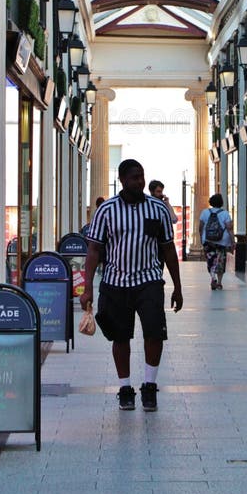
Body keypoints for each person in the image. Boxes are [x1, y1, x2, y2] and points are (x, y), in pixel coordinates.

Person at [80, 159, 183, 412]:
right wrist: (88, 286)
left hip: (149, 281)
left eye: (142, 177)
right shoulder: (106, 210)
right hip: (115, 283)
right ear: (123, 180)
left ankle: (149, 386)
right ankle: (125, 387)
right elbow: (94, 249)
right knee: (120, 336)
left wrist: (177, 287)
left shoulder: (157, 209)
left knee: (154, 333)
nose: (140, 182)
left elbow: (168, 250)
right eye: (135, 177)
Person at [199, 194, 235, 290]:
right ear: (221, 203)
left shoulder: (205, 212)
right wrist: (233, 242)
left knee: (210, 260)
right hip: (222, 241)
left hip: (208, 240)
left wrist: (201, 238)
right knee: (221, 261)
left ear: (211, 202)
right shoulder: (225, 213)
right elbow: (229, 229)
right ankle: (219, 282)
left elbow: (201, 227)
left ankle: (213, 278)